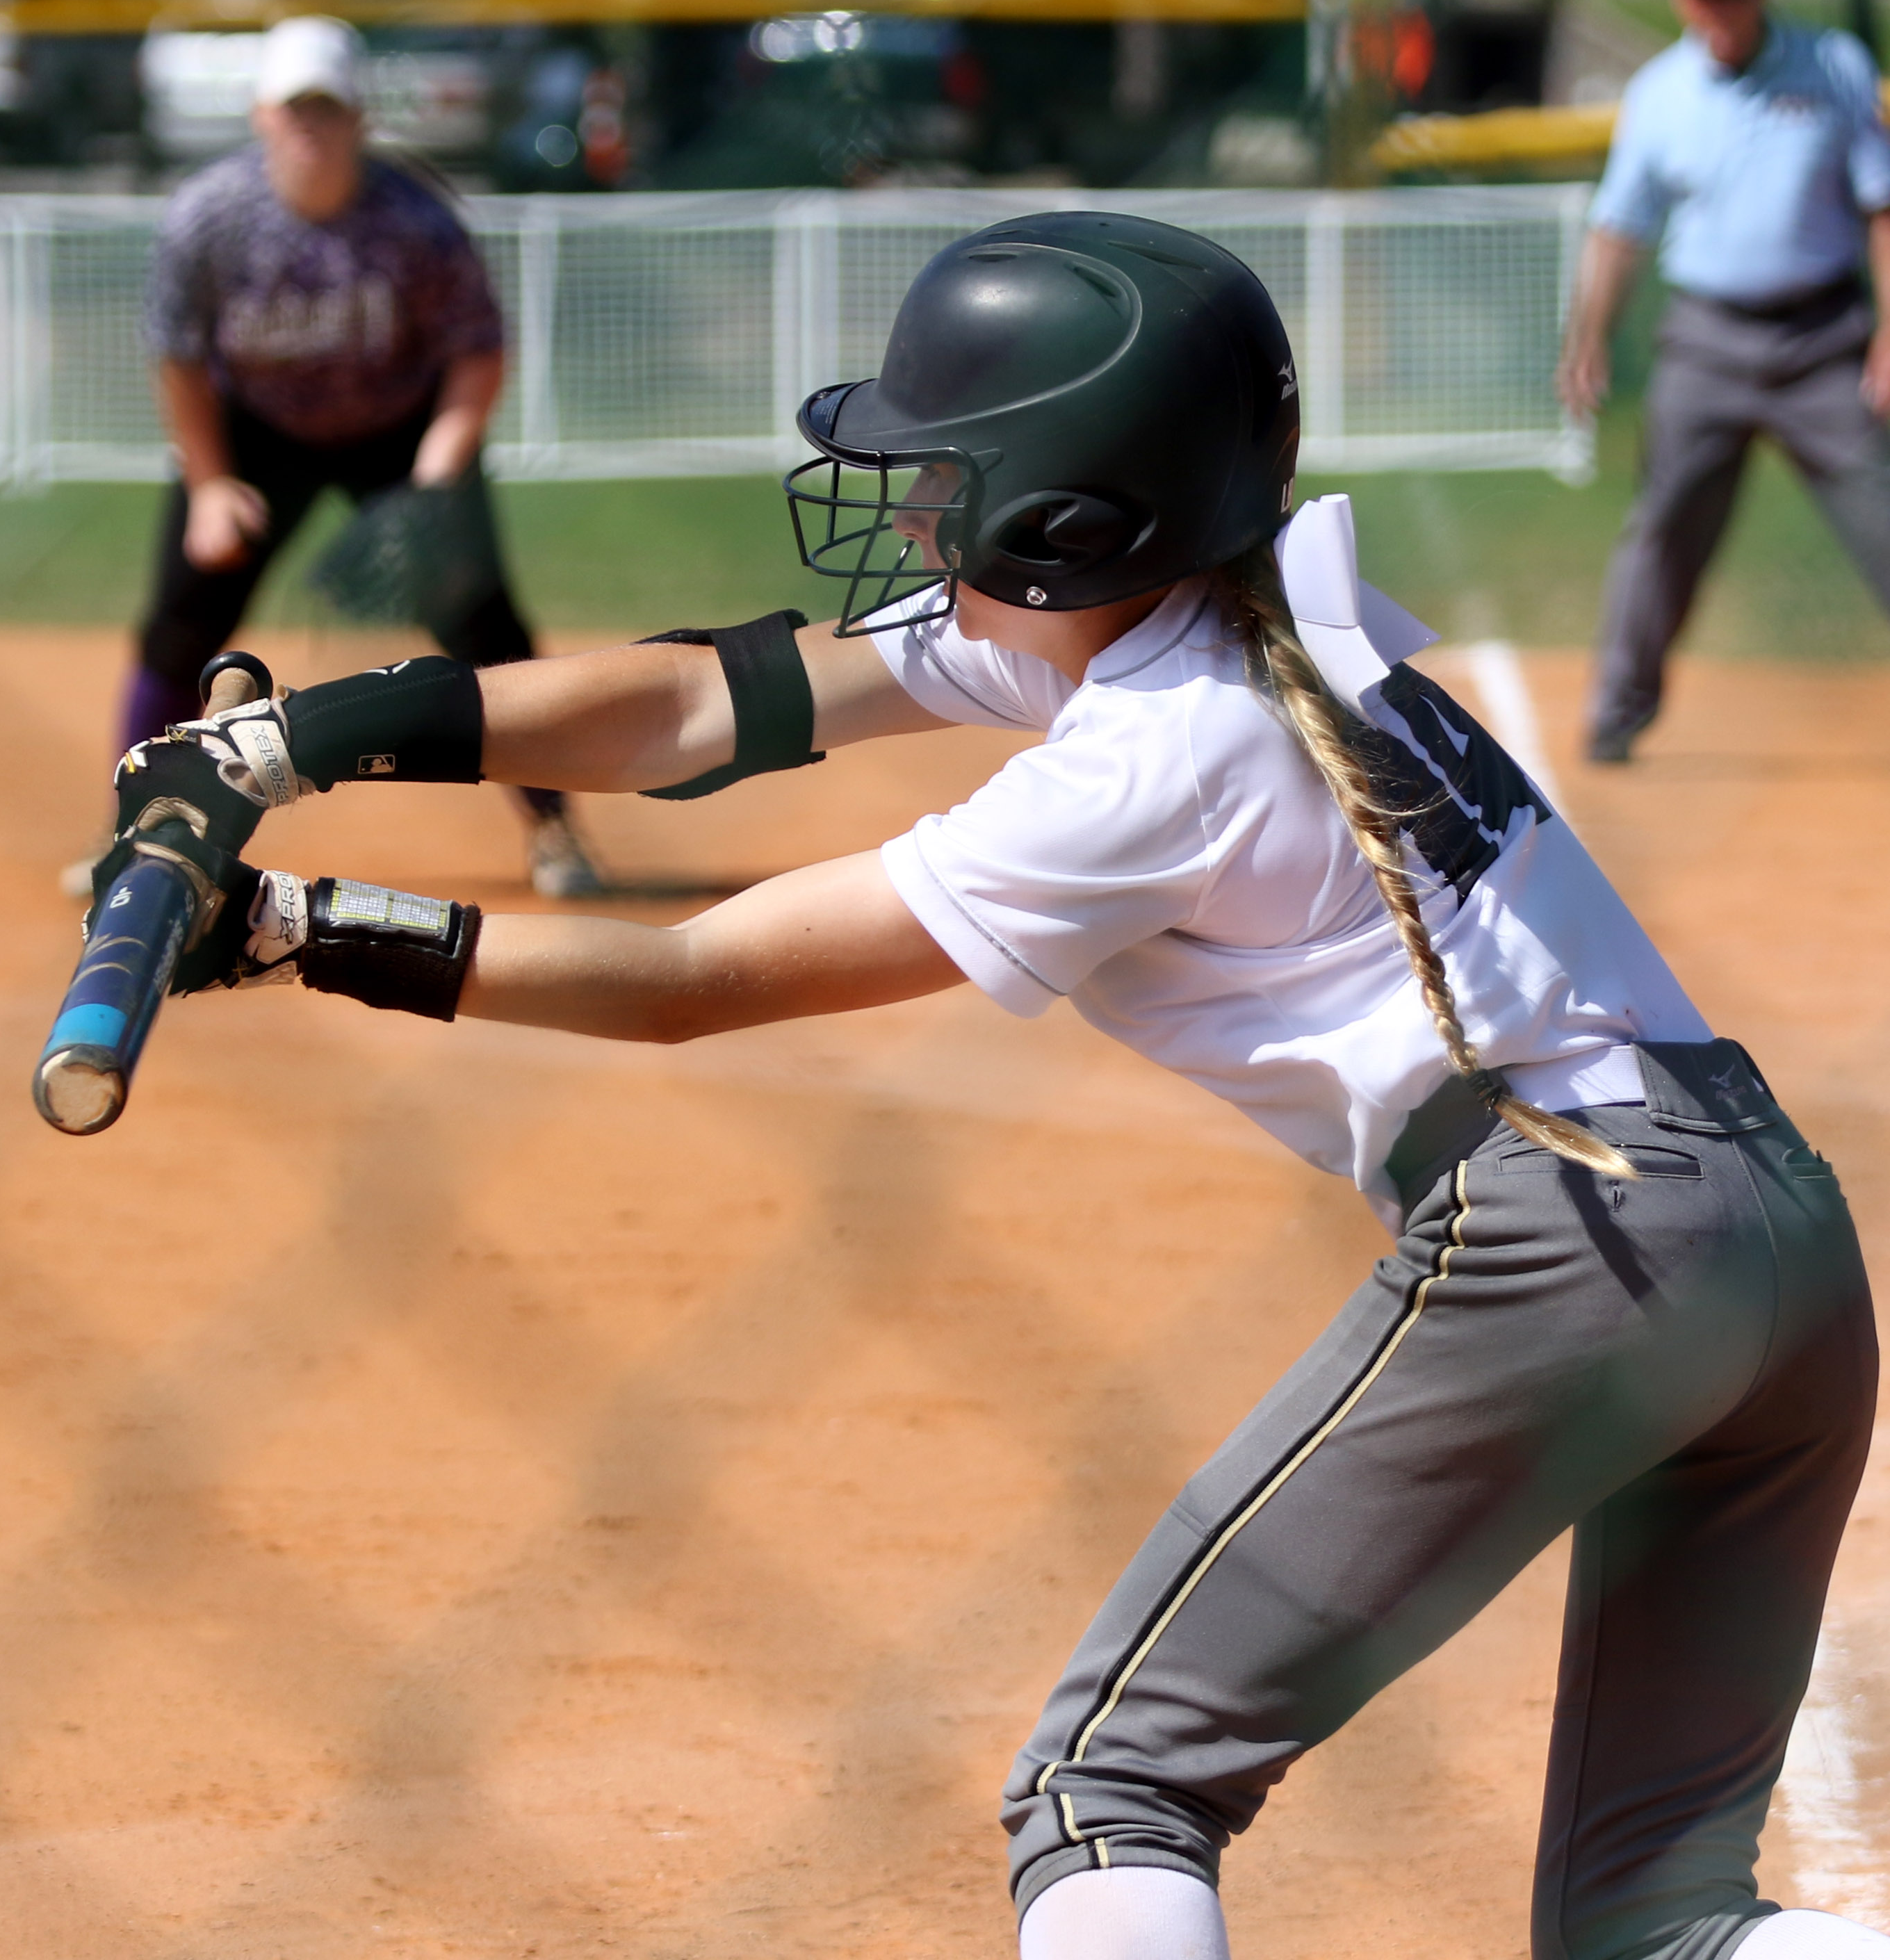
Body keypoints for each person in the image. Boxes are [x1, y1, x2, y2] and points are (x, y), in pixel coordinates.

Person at [90, 213, 1881, 1959]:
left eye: (951, 475)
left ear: (1072, 507)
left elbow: (688, 979)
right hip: (1773, 1233)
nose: (918, 506)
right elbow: (707, 710)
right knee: (1657, 1916)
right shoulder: (1223, 617)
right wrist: (303, 739)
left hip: (1569, 1232)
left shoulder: (1150, 760)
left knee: (1112, 1789)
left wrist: (295, 930)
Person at [83, 13, 601, 899]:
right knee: (180, 622)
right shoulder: (210, 216)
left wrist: (437, 475)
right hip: (257, 433)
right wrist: (211, 485)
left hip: (400, 430)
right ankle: (132, 831)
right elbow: (177, 356)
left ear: (361, 117)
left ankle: (555, 830)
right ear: (260, 116)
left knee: (489, 636)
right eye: (295, 109)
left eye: (329, 108)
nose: (311, 127)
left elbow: (478, 347)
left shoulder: (415, 220)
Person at [1560, 0, 1890, 765]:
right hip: (1707, 341)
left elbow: (1881, 204)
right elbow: (1620, 225)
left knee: (1883, 518)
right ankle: (1617, 713)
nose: (1714, 8)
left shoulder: (1834, 64)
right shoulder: (1660, 92)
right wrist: (1589, 337)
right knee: (1664, 526)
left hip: (1823, 340)